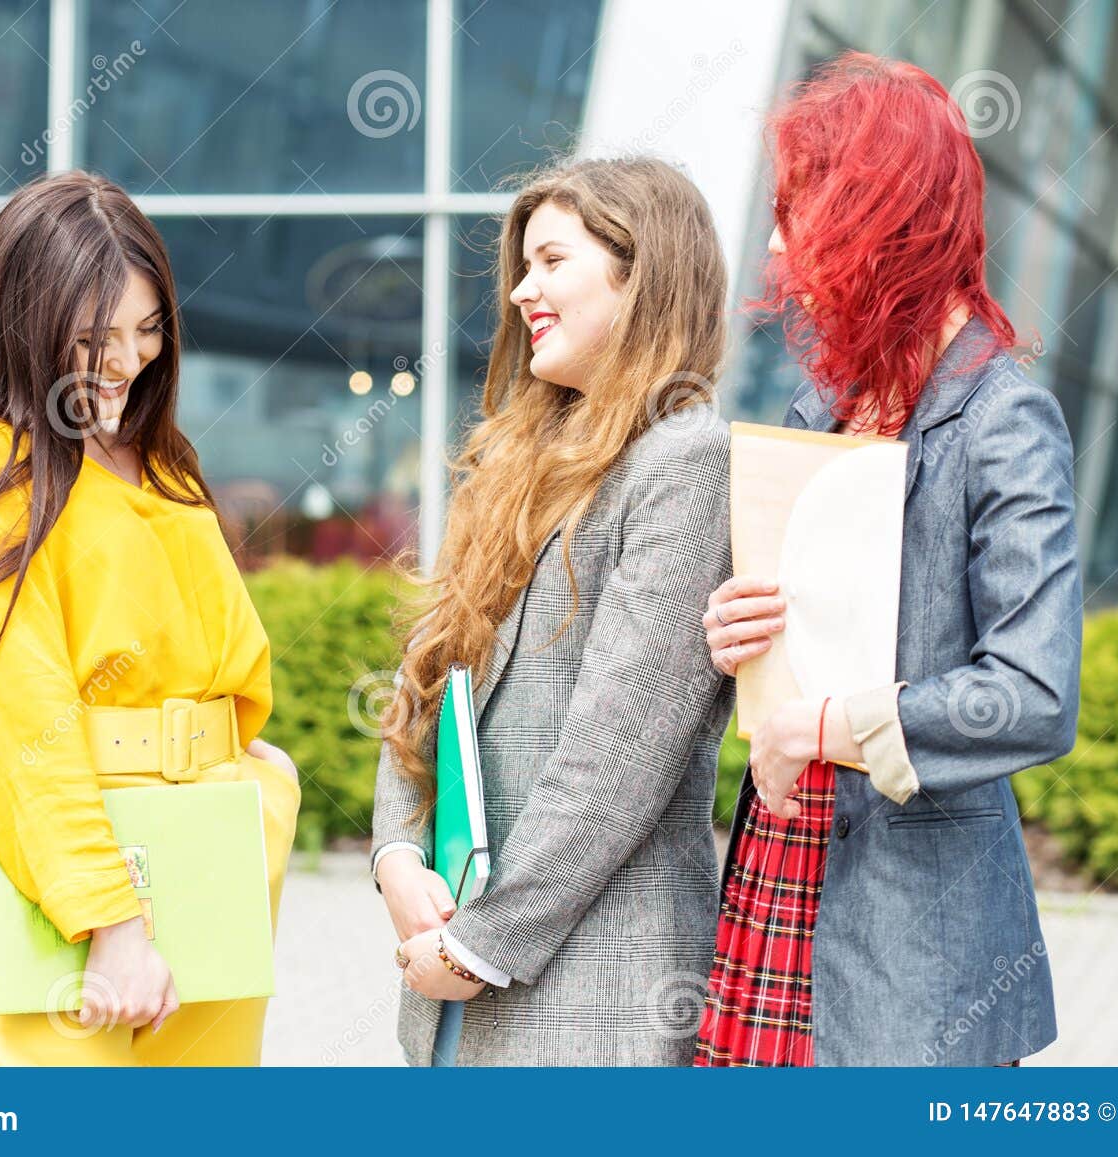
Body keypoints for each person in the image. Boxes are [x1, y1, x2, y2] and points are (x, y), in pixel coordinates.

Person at [696, 53, 1081, 1067]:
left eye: (801, 210)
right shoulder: (819, 403)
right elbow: (797, 629)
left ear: (883, 213)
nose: (778, 247)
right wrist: (733, 631)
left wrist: (829, 723)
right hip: (783, 852)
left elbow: (1034, 691)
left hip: (917, 927)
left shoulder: (1005, 421)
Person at [0, 171, 300, 1065]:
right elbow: (10, 709)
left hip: (209, 865)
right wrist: (111, 918)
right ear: (22, 319)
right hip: (73, 891)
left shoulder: (159, 458)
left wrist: (255, 771)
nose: (127, 359)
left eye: (147, 331)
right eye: (93, 337)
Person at [371, 156, 736, 1066]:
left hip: (589, 993)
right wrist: (395, 857)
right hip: (454, 972)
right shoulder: (516, 463)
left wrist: (484, 941)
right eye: (521, 268)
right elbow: (426, 680)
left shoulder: (685, 462)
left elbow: (619, 753)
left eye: (551, 262)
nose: (522, 291)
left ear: (641, 273)